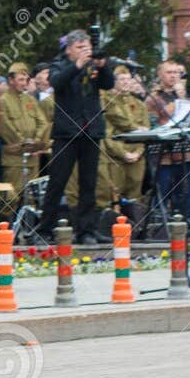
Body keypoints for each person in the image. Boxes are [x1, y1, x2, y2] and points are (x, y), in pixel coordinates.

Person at [42, 29, 115, 245]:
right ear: (69, 49)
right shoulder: (59, 64)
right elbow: (56, 82)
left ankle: (86, 230)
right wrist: (77, 66)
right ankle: (45, 228)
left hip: (90, 130)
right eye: (80, 48)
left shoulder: (93, 65)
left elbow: (108, 84)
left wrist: (103, 67)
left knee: (89, 182)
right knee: (58, 181)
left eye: (88, 48)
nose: (86, 52)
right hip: (67, 133)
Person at [144, 59, 190, 228]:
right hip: (163, 156)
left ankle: (186, 228)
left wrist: (182, 97)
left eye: (177, 72)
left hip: (185, 153)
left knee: (186, 194)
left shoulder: (187, 95)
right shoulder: (153, 98)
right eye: (169, 72)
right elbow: (152, 123)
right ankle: (159, 229)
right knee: (163, 194)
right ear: (160, 75)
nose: (174, 76)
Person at [0, 62, 50, 214]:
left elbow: (43, 122)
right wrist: (24, 143)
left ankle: (29, 231)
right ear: (11, 80)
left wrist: (36, 142)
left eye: (25, 80)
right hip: (14, 158)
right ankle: (7, 230)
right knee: (12, 198)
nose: (23, 83)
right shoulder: (3, 101)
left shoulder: (31, 100)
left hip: (32, 159)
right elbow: (5, 127)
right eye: (20, 80)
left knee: (32, 198)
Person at [99, 67, 147, 207]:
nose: (126, 82)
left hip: (137, 157)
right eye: (122, 79)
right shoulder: (106, 102)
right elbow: (106, 134)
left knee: (135, 198)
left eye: (128, 79)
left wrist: (138, 152)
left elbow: (146, 131)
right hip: (115, 157)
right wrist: (123, 153)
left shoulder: (139, 105)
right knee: (114, 196)